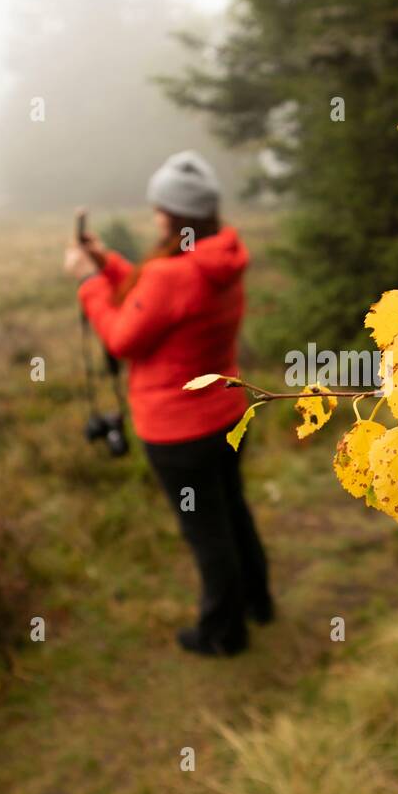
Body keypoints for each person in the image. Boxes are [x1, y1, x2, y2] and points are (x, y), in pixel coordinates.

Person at [63, 151, 271, 657]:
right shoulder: (220, 256)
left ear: (176, 215)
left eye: (160, 208)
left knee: (206, 533)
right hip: (226, 415)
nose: (155, 215)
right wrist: (108, 263)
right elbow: (157, 301)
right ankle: (257, 602)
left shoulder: (173, 275)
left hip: (178, 433)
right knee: (233, 511)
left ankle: (222, 635)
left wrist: (89, 283)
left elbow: (122, 338)